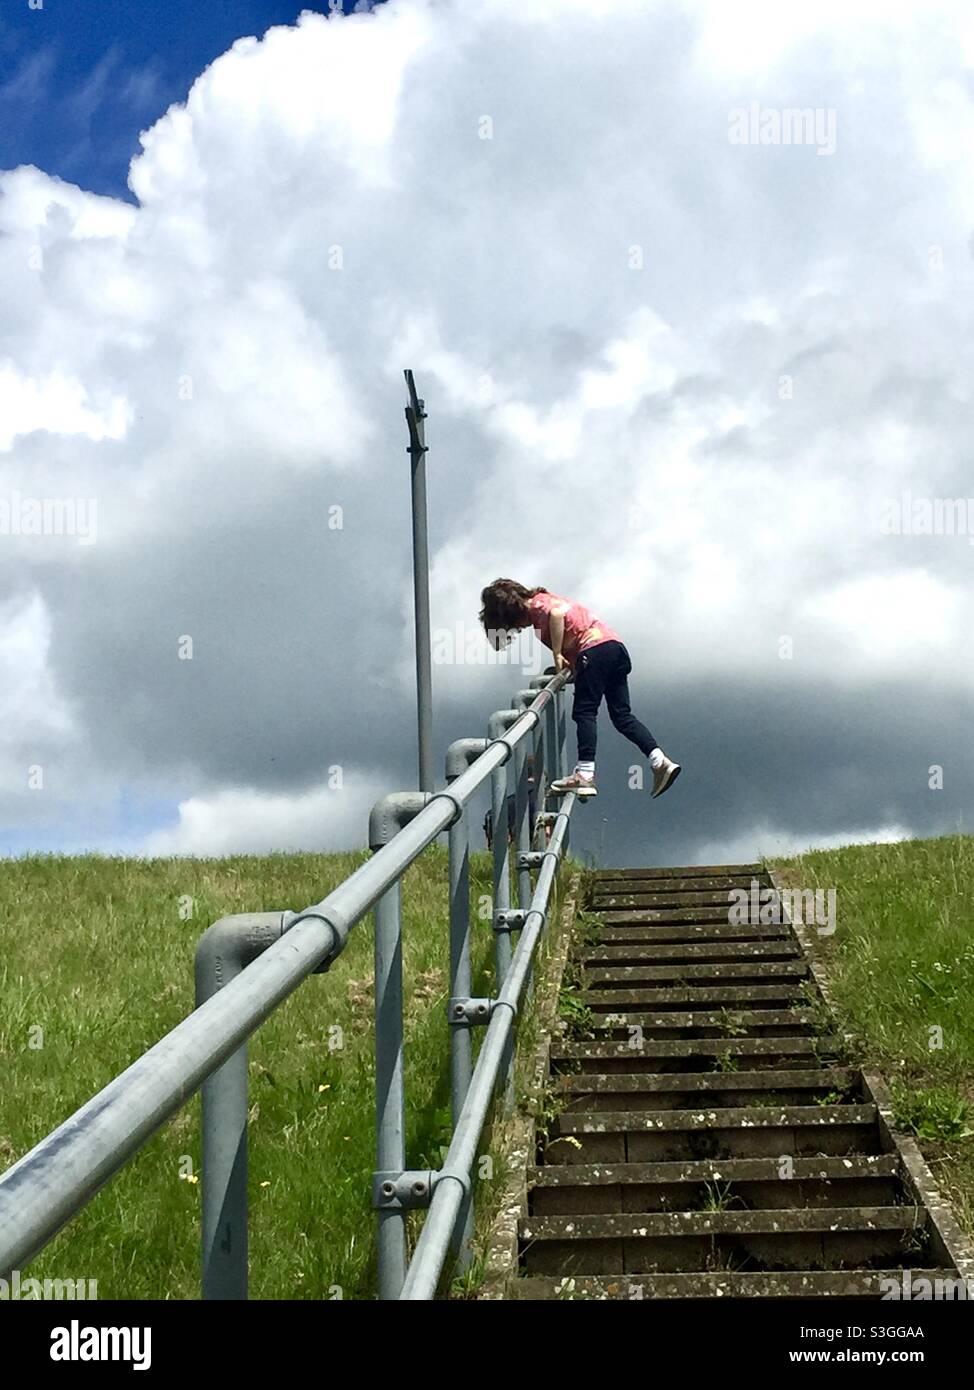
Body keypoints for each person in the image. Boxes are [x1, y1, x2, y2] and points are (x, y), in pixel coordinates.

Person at [479, 578, 680, 800]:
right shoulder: (547, 598)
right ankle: (659, 760)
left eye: (511, 624)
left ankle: (584, 773)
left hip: (593, 651)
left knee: (584, 712)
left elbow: (557, 615)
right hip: (614, 648)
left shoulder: (537, 606)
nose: (518, 629)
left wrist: (556, 654)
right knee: (622, 716)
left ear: (510, 612)